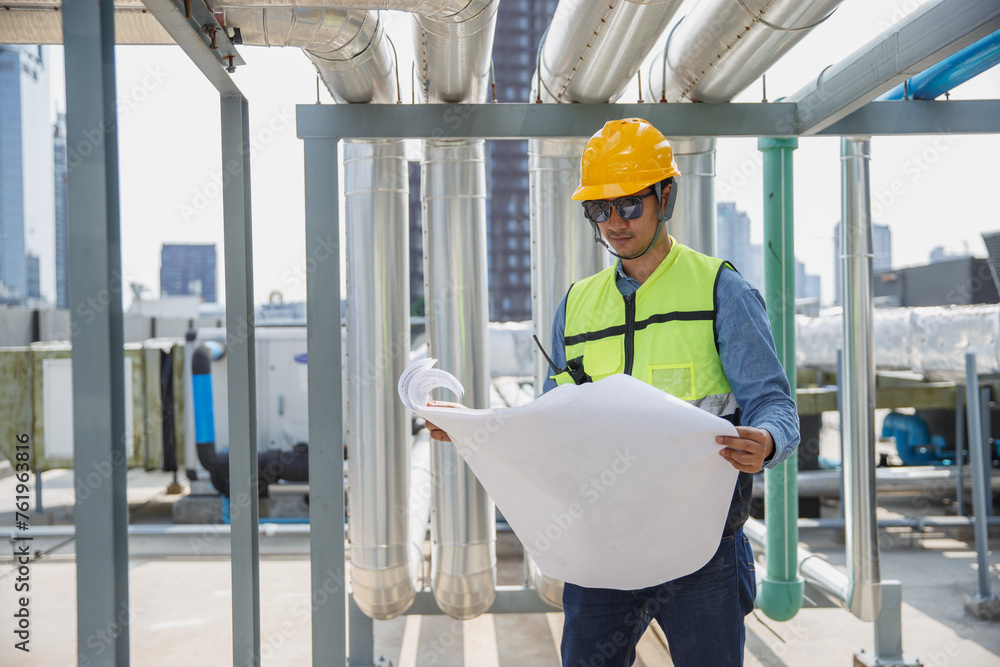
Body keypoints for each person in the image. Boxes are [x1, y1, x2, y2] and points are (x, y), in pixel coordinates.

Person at [426, 117, 800, 667]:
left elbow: (774, 401)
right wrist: (472, 428)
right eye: (600, 209)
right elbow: (550, 422)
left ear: (665, 196)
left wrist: (767, 440)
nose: (615, 223)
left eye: (629, 205)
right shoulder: (577, 304)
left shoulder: (722, 290)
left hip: (703, 551)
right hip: (602, 547)